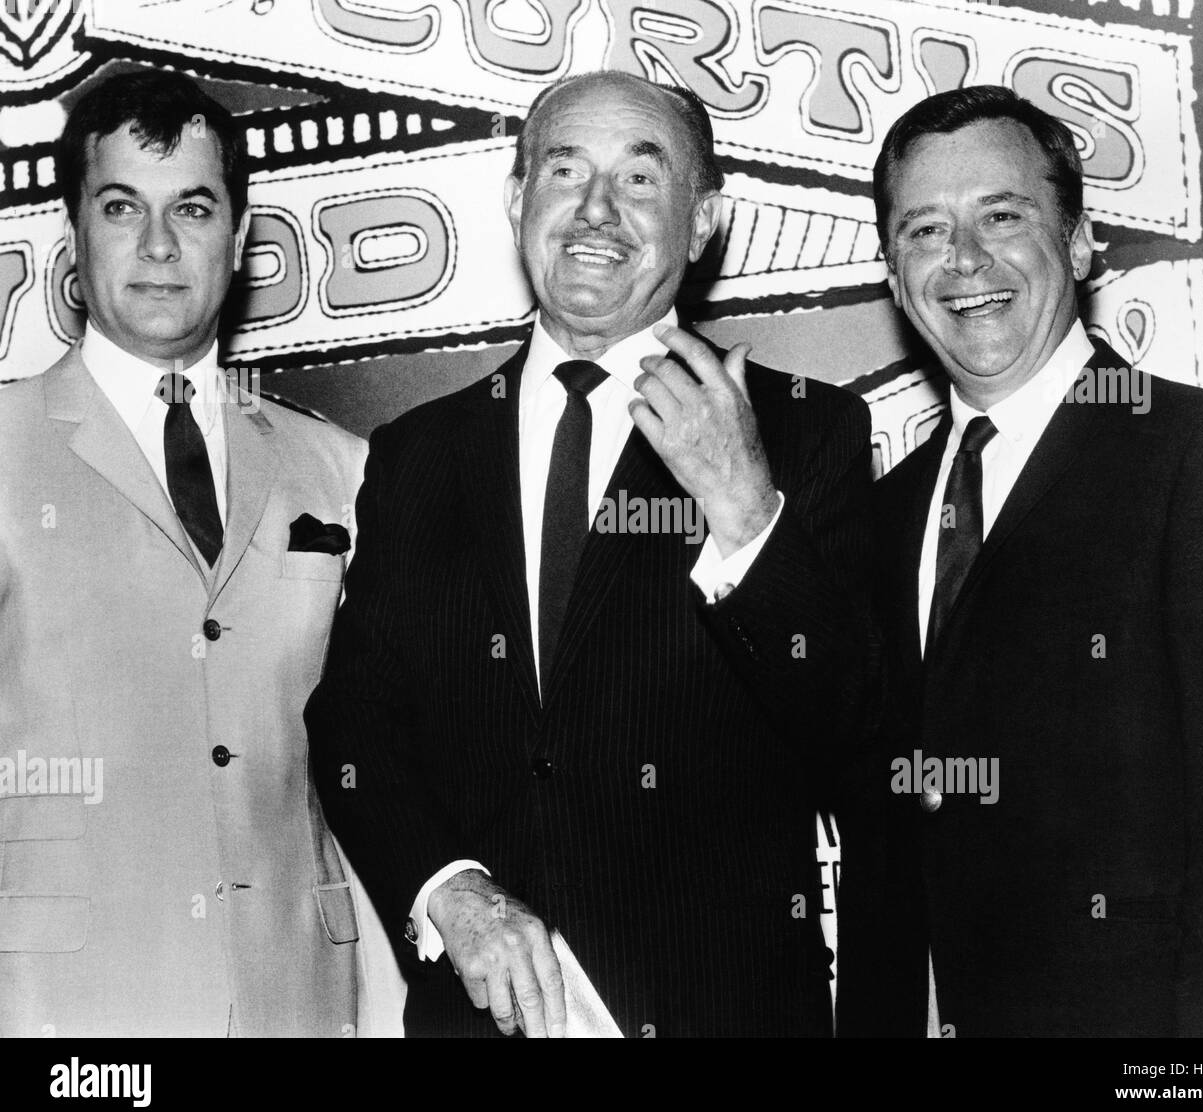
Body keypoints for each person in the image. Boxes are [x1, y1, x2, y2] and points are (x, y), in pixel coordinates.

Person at [306, 70, 879, 1038]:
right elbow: (357, 720)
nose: (595, 211)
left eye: (640, 180)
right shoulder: (419, 453)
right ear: (516, 198)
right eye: (565, 170)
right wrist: (450, 890)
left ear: (703, 222)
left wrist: (747, 516)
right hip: (484, 1014)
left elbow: (854, 740)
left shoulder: (801, 430)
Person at [836, 85, 1203, 1037]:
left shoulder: (1200, 454)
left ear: (1083, 240)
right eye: (925, 231)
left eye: (1002, 216)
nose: (965, 261)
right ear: (892, 273)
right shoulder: (883, 511)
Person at [0, 68, 402, 1036]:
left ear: (240, 234)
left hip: (300, 1000)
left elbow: (389, 761)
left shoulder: (344, 470)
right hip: (67, 1015)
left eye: (192, 206)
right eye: (120, 206)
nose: (158, 245)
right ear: (72, 231)